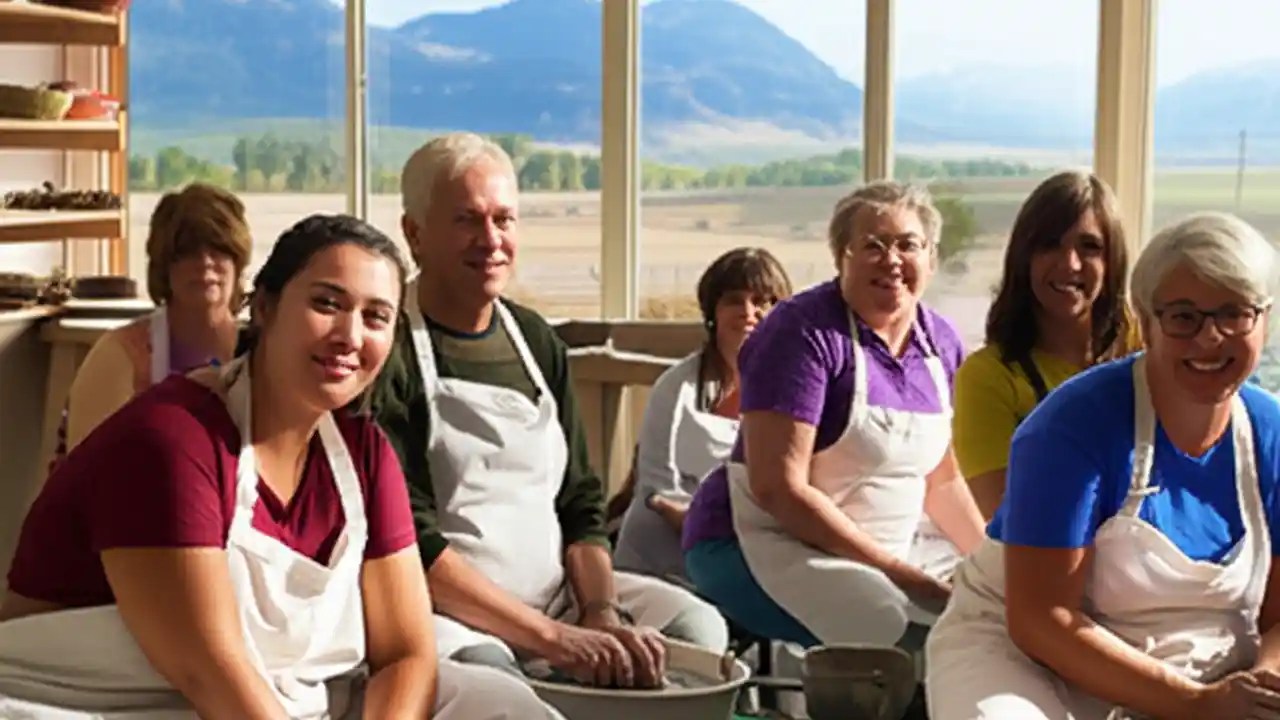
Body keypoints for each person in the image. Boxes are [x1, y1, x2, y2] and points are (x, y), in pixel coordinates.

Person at [0, 214, 558, 719]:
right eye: (327, 304)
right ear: (263, 306)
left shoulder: (363, 454)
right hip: (99, 703)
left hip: (280, 696)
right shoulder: (169, 441)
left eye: (376, 317)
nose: (350, 336)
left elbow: (405, 652)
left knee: (495, 699)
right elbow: (212, 672)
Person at [370, 132, 729, 693]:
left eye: (505, 220)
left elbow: (580, 502)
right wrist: (552, 640)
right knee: (495, 684)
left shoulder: (535, 341)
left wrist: (601, 613)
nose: (491, 240)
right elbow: (411, 543)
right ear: (414, 234)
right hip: (448, 614)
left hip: (561, 596)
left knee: (696, 626)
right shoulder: (389, 350)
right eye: (467, 220)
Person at [926, 212, 1280, 720]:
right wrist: (1195, 704)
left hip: (1188, 661)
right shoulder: (1071, 427)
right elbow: (1041, 620)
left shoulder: (1270, 434)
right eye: (1183, 317)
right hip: (1019, 653)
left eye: (1235, 313)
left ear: (1264, 320)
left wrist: (1262, 691)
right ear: (1145, 318)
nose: (1210, 338)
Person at [682, 180, 986, 651]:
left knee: (985, 614)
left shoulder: (940, 343)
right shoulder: (802, 333)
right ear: (840, 257)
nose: (892, 260)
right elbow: (778, 488)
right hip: (761, 542)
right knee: (892, 625)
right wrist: (904, 578)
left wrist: (992, 567)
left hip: (886, 550)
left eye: (908, 245)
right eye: (872, 246)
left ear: (931, 257)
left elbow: (941, 478)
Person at [952, 170, 1140, 519]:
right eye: (1050, 244)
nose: (1069, 263)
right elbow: (1008, 519)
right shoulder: (988, 377)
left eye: (1090, 247)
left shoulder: (1147, 349)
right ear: (1024, 257)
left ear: (1113, 261)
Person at [613, 247, 793, 581]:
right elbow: (658, 492)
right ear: (712, 312)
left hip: (757, 550)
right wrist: (720, 530)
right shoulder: (675, 387)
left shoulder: (796, 392)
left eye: (763, 301)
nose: (748, 312)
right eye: (734, 300)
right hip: (669, 555)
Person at [60, 183, 251, 455]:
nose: (205, 261)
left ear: (238, 261)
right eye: (187, 252)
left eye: (219, 249)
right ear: (164, 267)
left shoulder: (263, 353)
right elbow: (85, 473)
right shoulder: (121, 356)